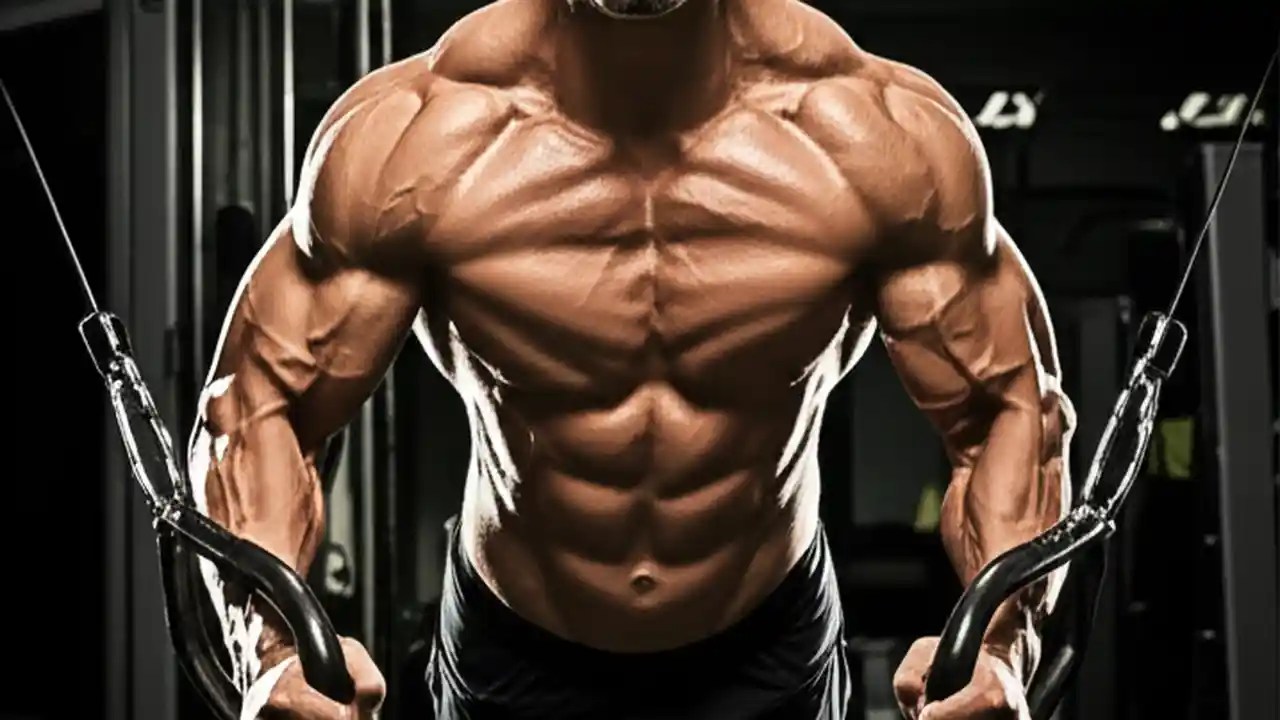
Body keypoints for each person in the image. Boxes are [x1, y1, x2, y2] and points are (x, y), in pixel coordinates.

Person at [187, 0, 1076, 718]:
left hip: (766, 648)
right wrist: (269, 650)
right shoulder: (415, 140)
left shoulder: (876, 140)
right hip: (516, 649)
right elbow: (257, 405)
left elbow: (1009, 408)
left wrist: (1000, 650)